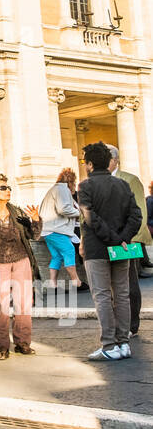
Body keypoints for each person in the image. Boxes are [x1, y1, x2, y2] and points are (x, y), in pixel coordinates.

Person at [78, 141, 142, 361]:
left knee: (103, 296)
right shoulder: (122, 185)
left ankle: (108, 345)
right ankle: (124, 343)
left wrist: (112, 239)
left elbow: (90, 218)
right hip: (122, 248)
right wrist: (123, 239)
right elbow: (136, 216)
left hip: (98, 248)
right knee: (122, 295)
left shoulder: (85, 186)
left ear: (91, 164)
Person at [0, 175, 42, 359]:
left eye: (8, 188)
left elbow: (33, 235)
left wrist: (36, 220)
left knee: (23, 304)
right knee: (1, 306)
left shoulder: (17, 211)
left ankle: (22, 343)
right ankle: (2, 346)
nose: (7, 191)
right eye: (3, 188)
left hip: (21, 260)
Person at [107, 145, 150, 338]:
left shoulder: (130, 179)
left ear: (115, 160)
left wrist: (131, 239)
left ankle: (132, 325)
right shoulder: (96, 181)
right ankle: (117, 323)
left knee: (128, 283)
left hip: (128, 240)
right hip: (105, 240)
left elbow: (140, 210)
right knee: (110, 285)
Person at [39, 169, 81, 295]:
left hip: (47, 230)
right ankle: (76, 281)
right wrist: (80, 213)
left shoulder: (54, 189)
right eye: (74, 182)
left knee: (56, 256)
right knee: (69, 250)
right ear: (71, 181)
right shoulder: (62, 189)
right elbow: (64, 209)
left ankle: (53, 284)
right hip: (56, 229)